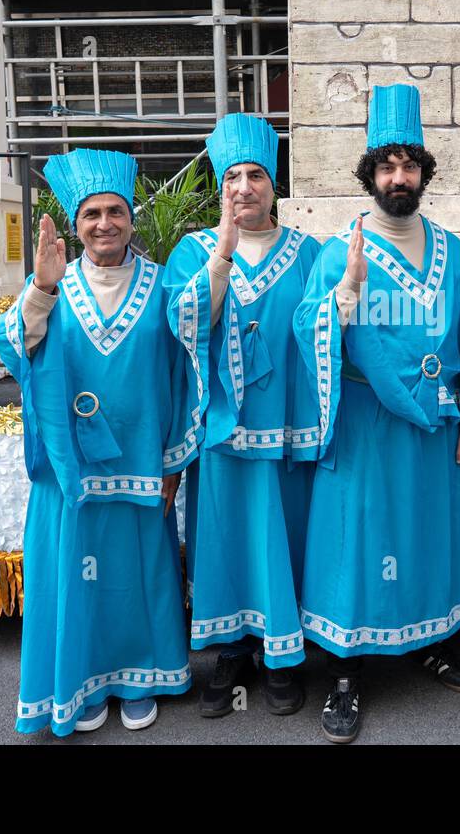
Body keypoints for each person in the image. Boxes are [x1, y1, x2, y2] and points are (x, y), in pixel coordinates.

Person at [291, 83, 460, 743]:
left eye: (410, 164)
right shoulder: (337, 249)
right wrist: (342, 298)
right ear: (370, 174)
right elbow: (307, 329)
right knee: (360, 539)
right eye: (387, 165)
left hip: (433, 426)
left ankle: (427, 641)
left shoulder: (454, 251)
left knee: (423, 532)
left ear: (424, 173)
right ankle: (344, 673)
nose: (399, 176)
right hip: (366, 423)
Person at [0, 148, 190, 736]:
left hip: (140, 462)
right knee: (74, 574)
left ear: (132, 218)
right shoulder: (50, 286)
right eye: (92, 214)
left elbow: (181, 375)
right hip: (68, 468)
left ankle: (138, 679)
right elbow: (14, 347)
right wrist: (41, 290)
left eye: (116, 211)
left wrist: (174, 461)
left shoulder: (162, 286)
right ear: (75, 225)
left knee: (137, 576)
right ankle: (81, 680)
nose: (105, 223)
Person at [163, 113, 322, 718]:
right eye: (233, 177)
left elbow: (324, 328)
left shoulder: (308, 251)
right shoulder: (195, 250)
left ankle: (283, 658)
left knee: (285, 536)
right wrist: (223, 259)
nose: (244, 187)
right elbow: (183, 327)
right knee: (225, 538)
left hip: (286, 426)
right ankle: (230, 655)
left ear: (272, 183)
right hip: (223, 432)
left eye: (256, 174)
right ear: (220, 186)